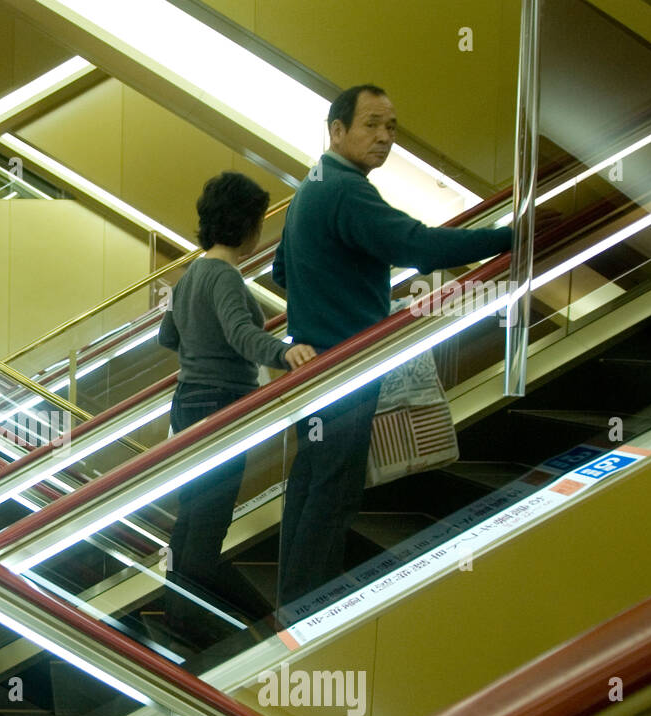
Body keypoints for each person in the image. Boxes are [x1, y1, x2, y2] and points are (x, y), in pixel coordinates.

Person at [272, 84, 514, 610]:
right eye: (371, 125)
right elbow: (418, 246)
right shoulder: (345, 189)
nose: (384, 137)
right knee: (332, 497)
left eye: (392, 127)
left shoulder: (310, 186)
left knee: (311, 487)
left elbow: (281, 271)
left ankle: (291, 608)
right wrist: (511, 238)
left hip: (313, 363)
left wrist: (330, 289)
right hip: (346, 364)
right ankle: (308, 615)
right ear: (337, 130)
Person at [158, 172, 316, 646]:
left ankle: (177, 615)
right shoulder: (224, 276)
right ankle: (231, 626)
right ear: (246, 224)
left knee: (192, 516)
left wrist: (197, 340)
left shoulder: (192, 275)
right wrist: (284, 353)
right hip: (221, 406)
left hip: (188, 403)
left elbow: (169, 336)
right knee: (209, 523)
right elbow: (240, 335)